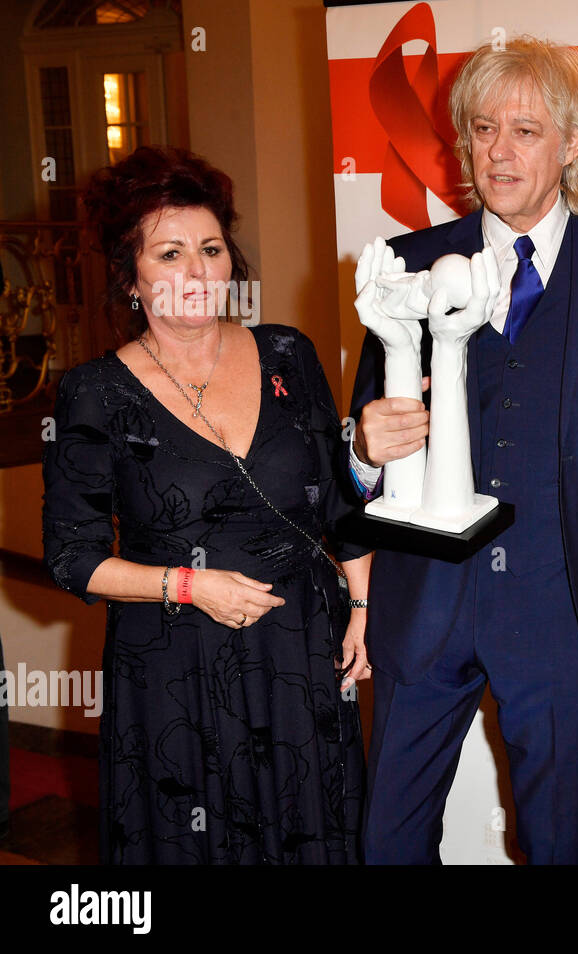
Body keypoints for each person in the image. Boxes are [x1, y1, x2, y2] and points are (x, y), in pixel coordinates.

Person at [347, 35, 578, 864]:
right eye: (484, 129)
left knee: (560, 845)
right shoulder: (410, 263)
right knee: (386, 840)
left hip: (563, 609)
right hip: (421, 606)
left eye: (526, 131)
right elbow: (360, 446)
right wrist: (361, 450)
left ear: (572, 144)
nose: (500, 151)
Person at [42, 146, 370, 864]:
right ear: (131, 280)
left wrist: (364, 612)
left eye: (211, 248)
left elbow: (340, 504)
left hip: (299, 652)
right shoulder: (96, 392)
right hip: (175, 668)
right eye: (169, 253)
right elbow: (72, 557)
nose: (196, 271)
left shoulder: (289, 354)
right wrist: (190, 586)